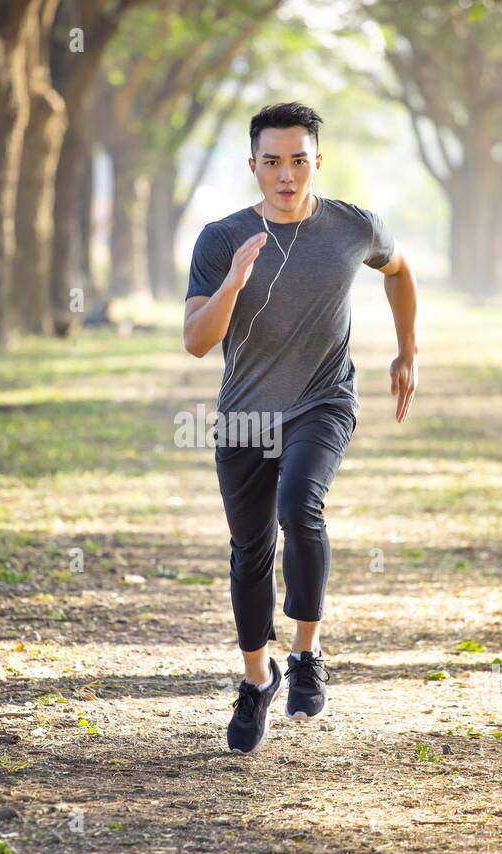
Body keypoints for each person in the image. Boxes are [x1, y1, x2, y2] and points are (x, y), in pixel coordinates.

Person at [183, 102, 419, 754]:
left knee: (300, 505)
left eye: (298, 160)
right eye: (271, 162)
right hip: (246, 415)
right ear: (252, 165)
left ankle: (308, 650)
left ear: (318, 160)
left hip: (323, 401)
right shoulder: (220, 237)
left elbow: (399, 270)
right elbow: (197, 342)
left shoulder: (352, 226)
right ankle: (259, 676)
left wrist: (408, 349)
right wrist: (233, 281)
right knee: (249, 550)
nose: (285, 175)